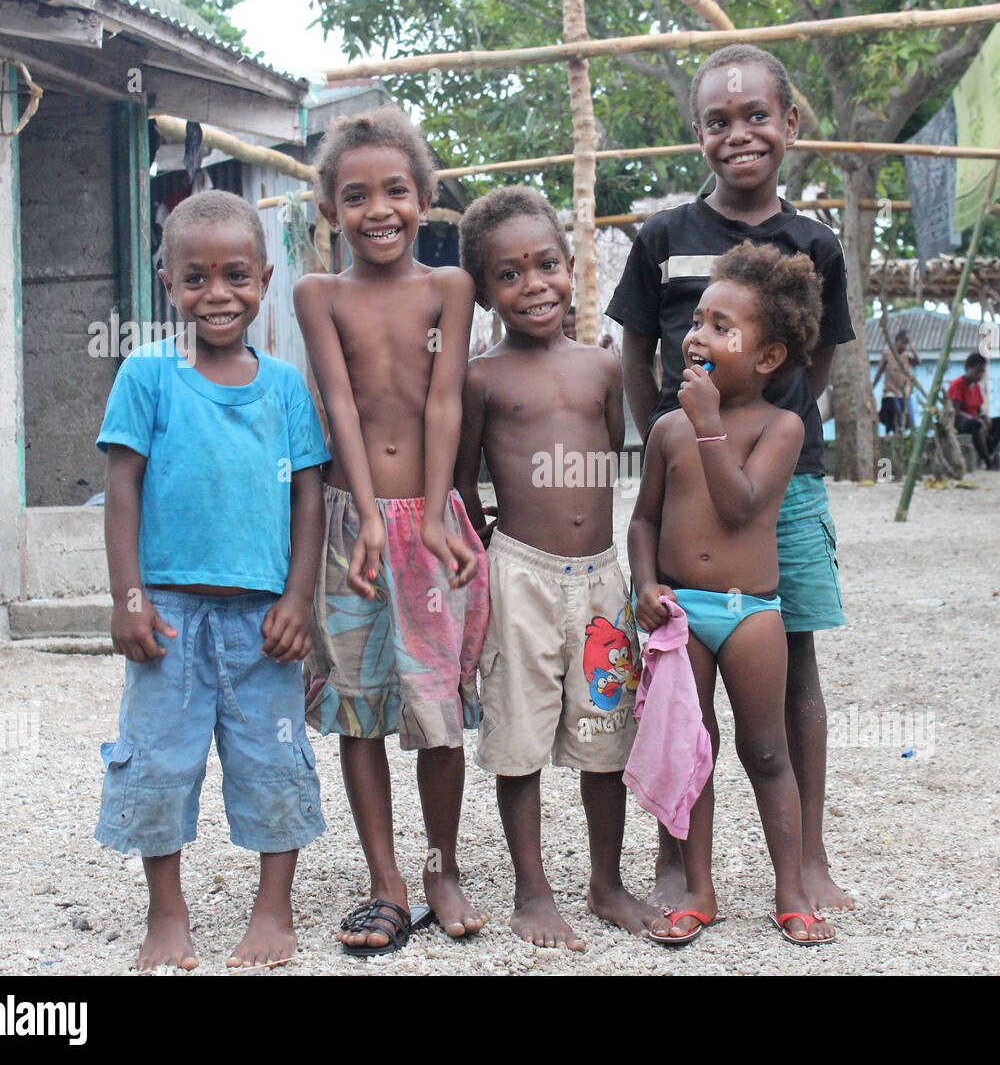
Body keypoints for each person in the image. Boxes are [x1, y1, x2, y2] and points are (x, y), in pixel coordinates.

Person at [607, 43, 855, 917]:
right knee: (680, 689)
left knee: (797, 662)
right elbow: (638, 348)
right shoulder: (666, 239)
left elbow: (815, 366)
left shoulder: (815, 243)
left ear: (790, 124)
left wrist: (752, 435)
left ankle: (809, 856)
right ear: (698, 133)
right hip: (684, 471)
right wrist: (670, 442)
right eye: (719, 120)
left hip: (782, 479)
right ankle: (680, 867)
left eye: (758, 116)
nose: (739, 133)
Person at [95, 191, 329, 971]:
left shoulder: (287, 388)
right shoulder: (148, 373)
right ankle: (167, 914)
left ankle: (273, 909)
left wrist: (301, 599)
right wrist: (128, 598)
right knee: (159, 760)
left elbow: (308, 496)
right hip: (166, 611)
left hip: (264, 620)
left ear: (264, 277)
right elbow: (122, 486)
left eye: (236, 275)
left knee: (273, 760)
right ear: (167, 282)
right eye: (196, 278)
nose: (218, 294)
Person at [294, 108, 489, 955]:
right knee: (360, 709)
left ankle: (441, 866)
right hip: (352, 527)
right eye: (356, 195)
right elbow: (339, 402)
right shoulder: (319, 294)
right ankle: (387, 885)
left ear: (425, 197)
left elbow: (445, 400)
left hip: (433, 528)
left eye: (397, 190)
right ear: (330, 210)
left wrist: (441, 510)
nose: (379, 208)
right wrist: (370, 517)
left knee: (437, 709)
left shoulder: (449, 289)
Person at [455, 186, 655, 950]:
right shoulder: (482, 377)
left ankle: (607, 883)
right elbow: (463, 476)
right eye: (510, 275)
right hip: (521, 576)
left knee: (606, 731)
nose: (533, 284)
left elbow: (607, 449)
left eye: (546, 265)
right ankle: (532, 891)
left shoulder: (602, 368)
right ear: (484, 291)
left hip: (602, 577)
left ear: (571, 267)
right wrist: (489, 550)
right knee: (520, 735)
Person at [629, 240, 833, 946]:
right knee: (693, 750)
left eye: (722, 326)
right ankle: (699, 890)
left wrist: (710, 424)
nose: (698, 336)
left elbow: (743, 505)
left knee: (767, 751)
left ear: (769, 357)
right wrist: (646, 583)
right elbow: (644, 520)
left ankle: (792, 888)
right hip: (683, 611)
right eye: (697, 321)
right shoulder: (665, 429)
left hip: (751, 616)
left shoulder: (783, 427)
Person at [947, 351, 1000, 470]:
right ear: (968, 368)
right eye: (978, 371)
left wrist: (985, 417)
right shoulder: (957, 385)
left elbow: (979, 410)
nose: (980, 375)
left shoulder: (976, 386)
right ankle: (988, 461)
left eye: (982, 372)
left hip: (974, 419)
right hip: (960, 421)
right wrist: (976, 419)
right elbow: (954, 411)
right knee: (977, 424)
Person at [873, 329, 920, 433]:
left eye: (906, 344)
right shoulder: (888, 354)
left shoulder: (906, 356)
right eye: (903, 343)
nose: (904, 346)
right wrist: (872, 387)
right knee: (895, 413)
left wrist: (912, 348)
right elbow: (879, 372)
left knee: (910, 417)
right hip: (890, 392)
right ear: (897, 341)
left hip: (904, 393)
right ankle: (894, 432)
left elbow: (917, 362)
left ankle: (907, 435)